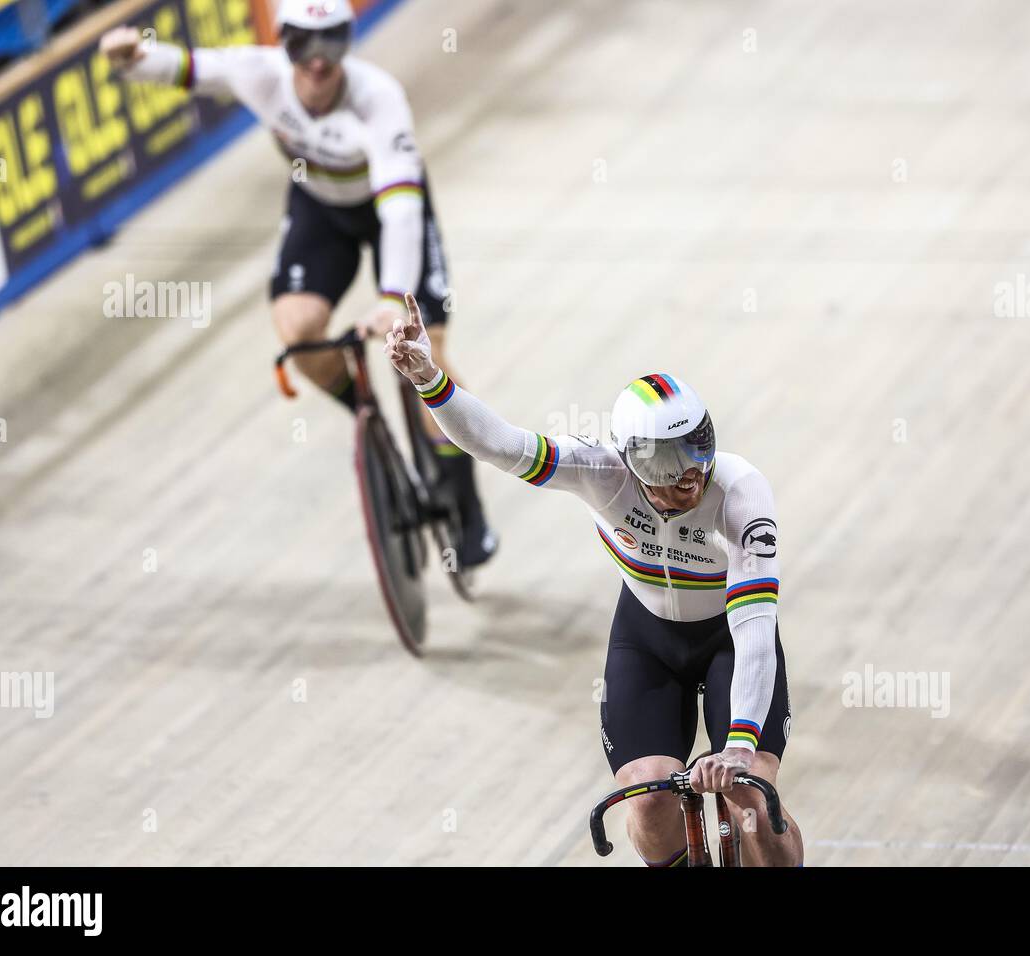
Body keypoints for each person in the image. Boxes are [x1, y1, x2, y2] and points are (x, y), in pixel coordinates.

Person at [384, 292, 804, 866]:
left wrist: (738, 746)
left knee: (750, 794)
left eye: (695, 457)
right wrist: (430, 378)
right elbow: (500, 444)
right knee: (650, 801)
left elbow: (756, 626)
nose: (687, 483)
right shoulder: (600, 473)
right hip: (647, 639)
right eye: (664, 468)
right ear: (630, 461)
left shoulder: (741, 492)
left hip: (730, 640)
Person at [98, 0, 496, 566]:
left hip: (392, 210)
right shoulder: (258, 73)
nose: (316, 62)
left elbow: (403, 216)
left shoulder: (377, 99)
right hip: (321, 208)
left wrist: (390, 300)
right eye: (302, 46)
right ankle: (373, 430)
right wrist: (131, 58)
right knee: (300, 337)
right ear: (282, 44)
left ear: (347, 42)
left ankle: (466, 499)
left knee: (425, 352)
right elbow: (189, 69)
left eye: (330, 43)